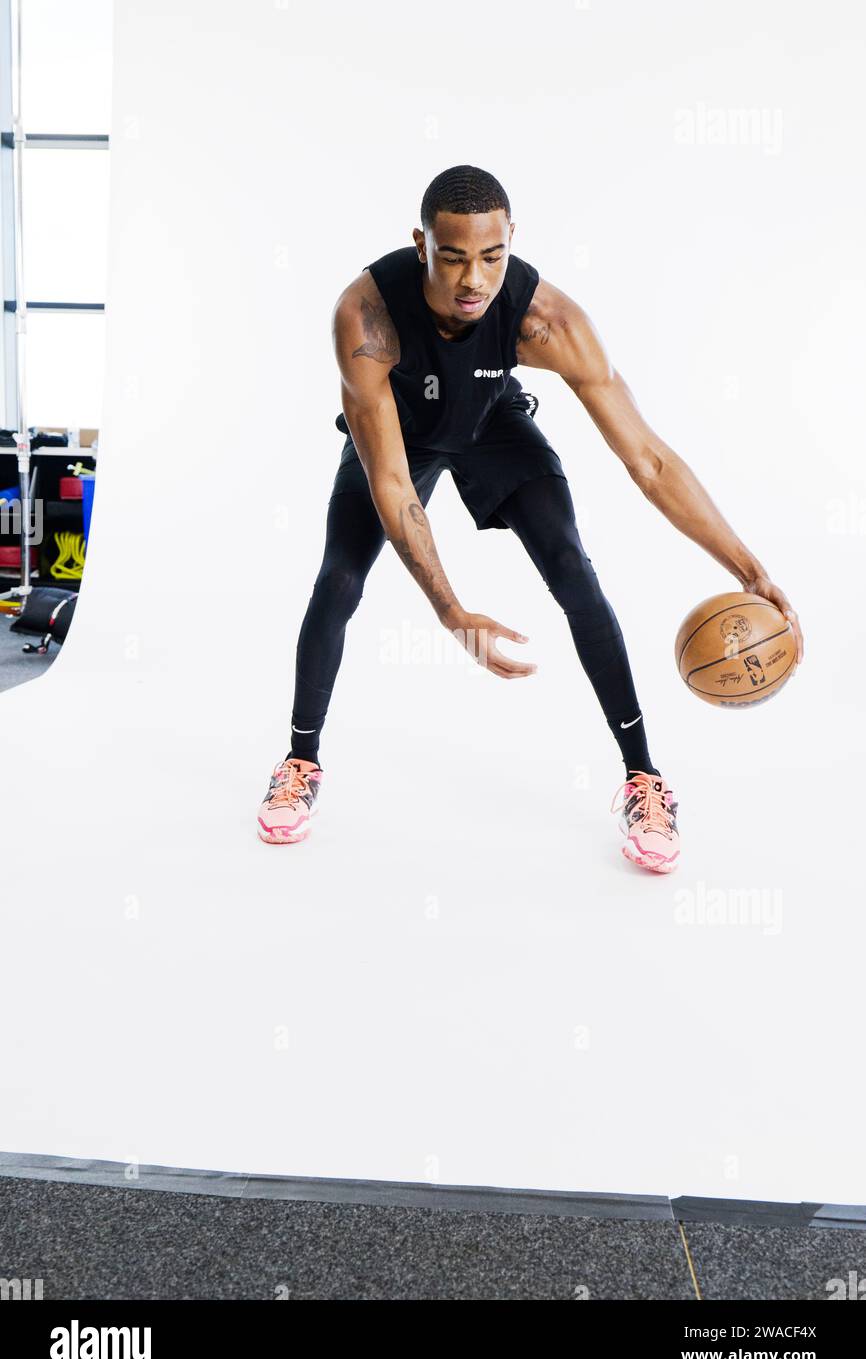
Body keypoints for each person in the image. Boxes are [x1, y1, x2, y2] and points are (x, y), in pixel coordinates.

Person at [257, 165, 803, 873]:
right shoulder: (367, 317)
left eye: (491, 256)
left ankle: (645, 779)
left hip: (492, 425)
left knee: (575, 571)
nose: (472, 280)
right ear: (420, 243)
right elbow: (394, 483)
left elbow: (651, 463)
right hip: (402, 434)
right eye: (451, 257)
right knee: (338, 581)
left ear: (512, 239)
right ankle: (300, 763)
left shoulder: (549, 321)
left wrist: (752, 571)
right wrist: (451, 611)